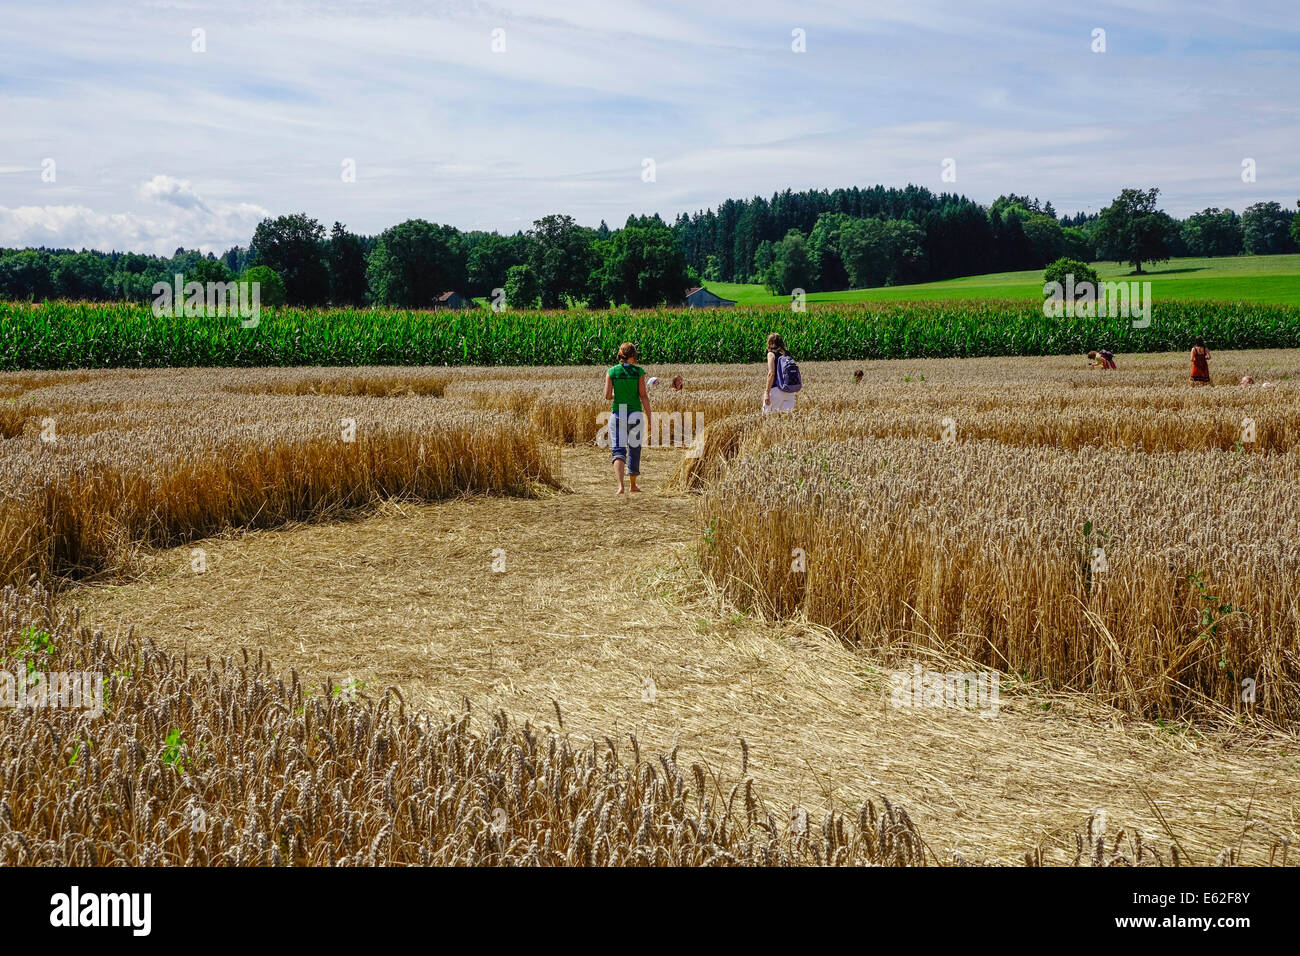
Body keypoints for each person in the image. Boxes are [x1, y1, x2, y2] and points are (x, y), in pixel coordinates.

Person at [604, 342, 650, 494]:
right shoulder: (639, 372)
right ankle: (633, 485)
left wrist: (619, 395)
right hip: (635, 413)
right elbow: (643, 396)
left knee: (618, 450)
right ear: (633, 356)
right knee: (634, 448)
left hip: (618, 412)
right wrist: (649, 417)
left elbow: (607, 396)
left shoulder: (612, 372)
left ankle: (620, 486)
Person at [763, 333, 800, 413]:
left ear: (770, 343)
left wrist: (767, 393)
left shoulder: (771, 354)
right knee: (786, 419)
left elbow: (771, 373)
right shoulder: (787, 354)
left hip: (776, 390)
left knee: (768, 417)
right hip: (789, 391)